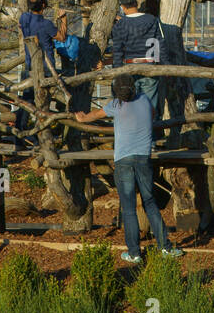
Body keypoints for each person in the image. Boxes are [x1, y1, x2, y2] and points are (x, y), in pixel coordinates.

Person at [75, 72, 183, 264]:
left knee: (129, 208)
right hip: (143, 157)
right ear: (133, 88)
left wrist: (82, 118)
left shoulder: (115, 105)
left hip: (124, 159)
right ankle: (165, 247)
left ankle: (134, 252)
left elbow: (93, 116)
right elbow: (151, 116)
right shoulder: (144, 100)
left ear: (116, 92)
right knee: (150, 202)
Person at [16, 0, 65, 134]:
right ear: (43, 5)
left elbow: (20, 24)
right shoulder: (46, 24)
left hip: (29, 64)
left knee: (26, 100)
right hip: (46, 68)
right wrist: (63, 19)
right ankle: (43, 134)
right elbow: (61, 37)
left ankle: (19, 132)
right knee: (44, 101)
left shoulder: (24, 18)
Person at [111, 0, 165, 115]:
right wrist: (165, 65)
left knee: (128, 107)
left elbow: (118, 51)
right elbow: (160, 44)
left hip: (129, 68)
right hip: (150, 67)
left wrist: (117, 72)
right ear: (136, 3)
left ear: (123, 7)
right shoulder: (152, 20)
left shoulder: (120, 25)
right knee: (150, 108)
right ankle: (152, 132)